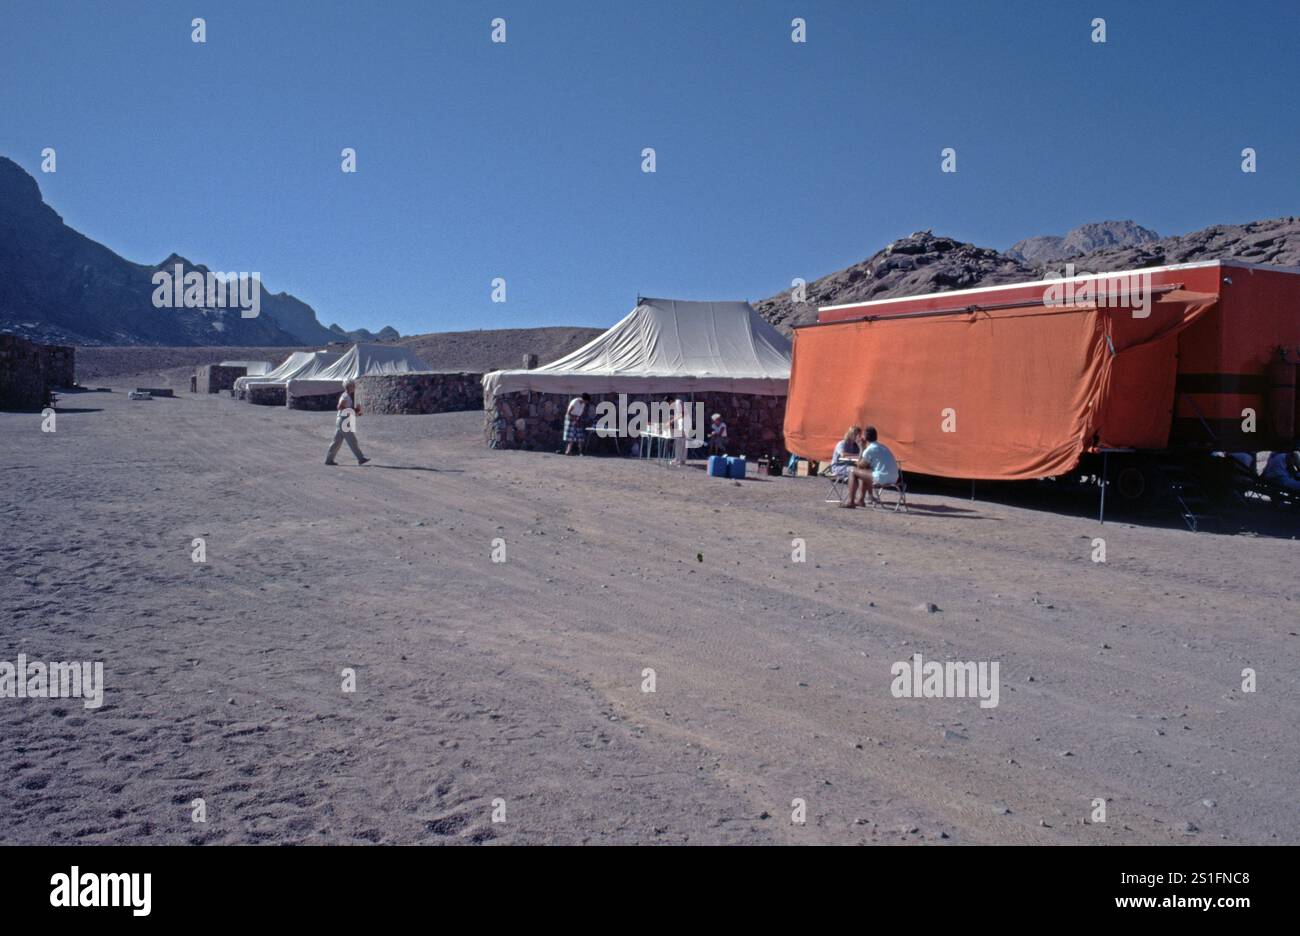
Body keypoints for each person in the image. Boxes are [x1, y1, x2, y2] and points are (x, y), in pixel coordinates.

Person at [842, 425, 898, 508]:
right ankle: (860, 500)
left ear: (864, 438)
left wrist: (861, 448)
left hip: (882, 478)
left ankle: (851, 501)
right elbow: (864, 467)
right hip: (894, 478)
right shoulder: (882, 446)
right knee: (865, 470)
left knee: (852, 471)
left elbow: (860, 465)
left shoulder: (870, 449)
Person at [325, 380, 370, 466]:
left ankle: (329, 460)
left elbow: (346, 409)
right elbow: (340, 407)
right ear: (349, 387)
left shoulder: (346, 396)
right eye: (353, 385)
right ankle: (360, 458)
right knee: (352, 440)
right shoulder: (346, 396)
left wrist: (356, 412)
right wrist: (355, 410)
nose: (354, 387)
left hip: (343, 420)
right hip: (344, 420)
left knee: (336, 442)